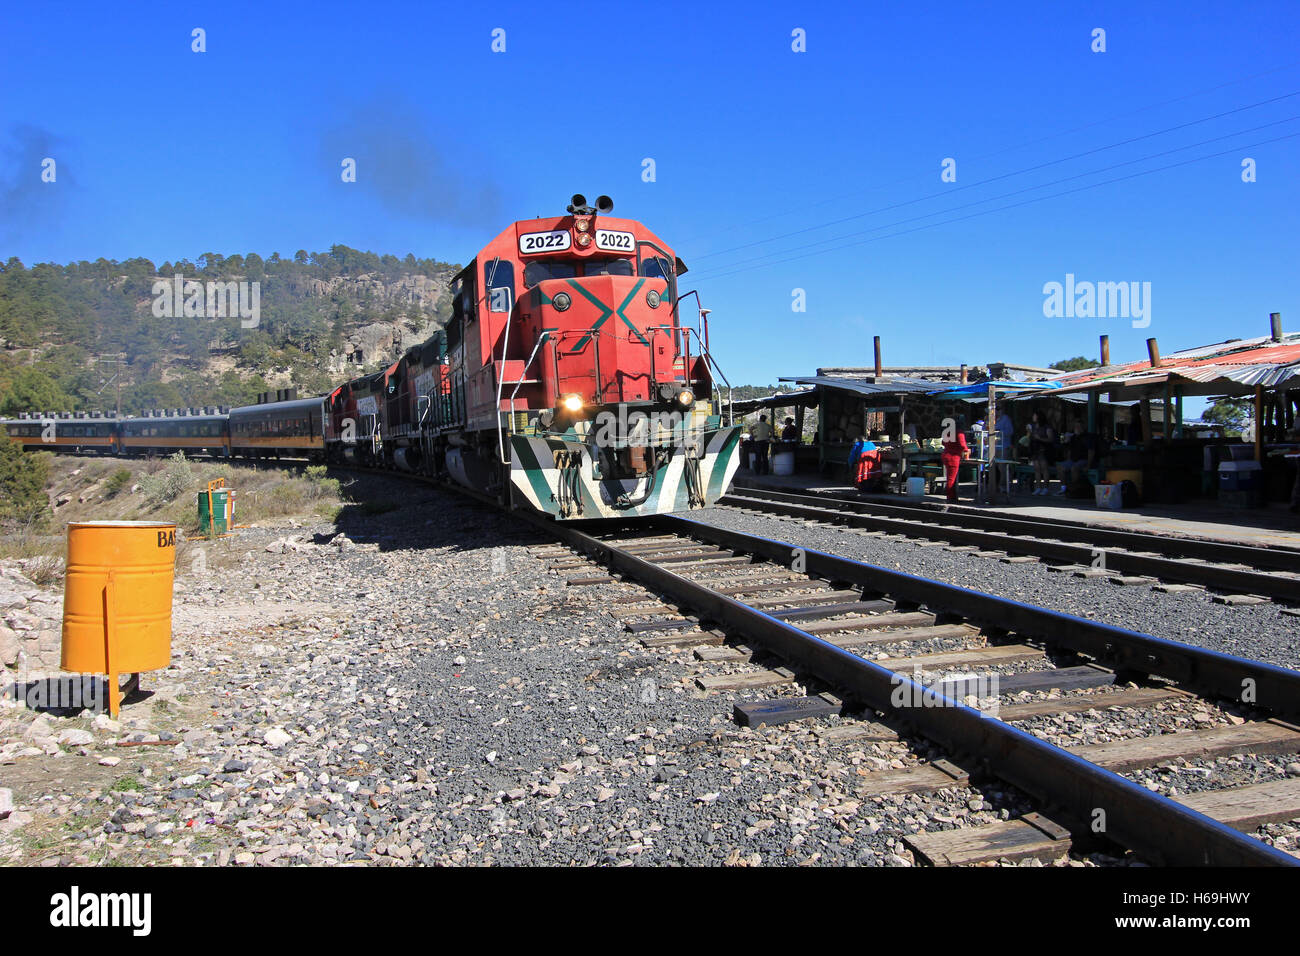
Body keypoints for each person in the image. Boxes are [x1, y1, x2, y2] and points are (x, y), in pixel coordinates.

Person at [940, 426, 970, 502]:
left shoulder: (947, 432)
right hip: (953, 457)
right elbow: (962, 445)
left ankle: (952, 496)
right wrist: (967, 450)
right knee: (951, 479)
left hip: (946, 455)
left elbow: (943, 442)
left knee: (949, 477)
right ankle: (951, 497)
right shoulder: (959, 432)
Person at [1029, 411, 1055, 495]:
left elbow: (1051, 439)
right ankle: (1038, 487)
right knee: (1037, 469)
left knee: (1044, 469)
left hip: (1044, 450)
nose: (1033, 417)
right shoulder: (1033, 427)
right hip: (1035, 449)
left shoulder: (1046, 427)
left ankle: (1045, 488)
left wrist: (1040, 438)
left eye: (1035, 415)